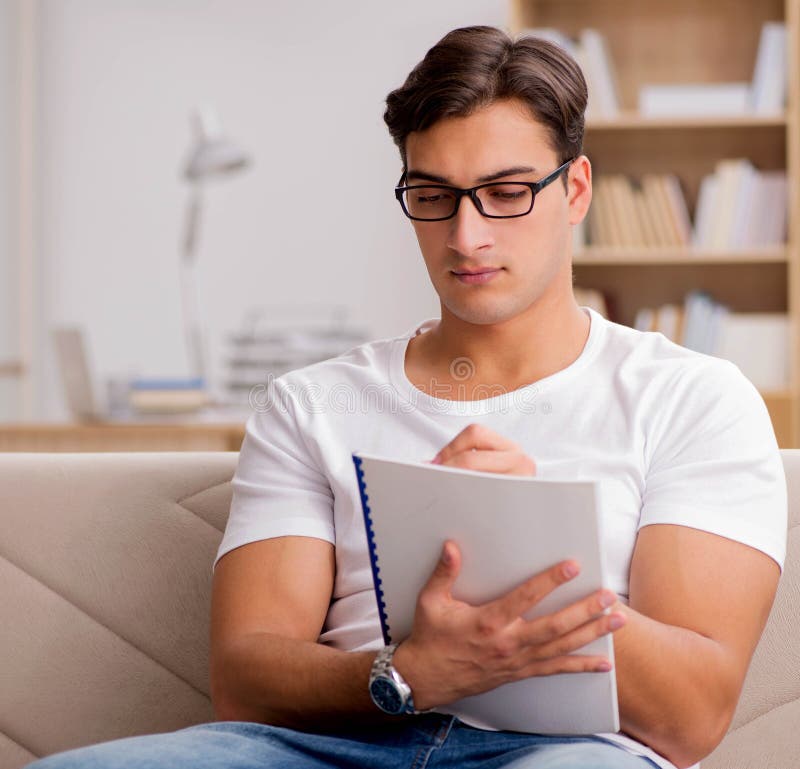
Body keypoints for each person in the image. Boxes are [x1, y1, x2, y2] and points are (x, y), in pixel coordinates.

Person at [29, 24, 786, 769]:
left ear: (576, 190)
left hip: (565, 750)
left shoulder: (693, 399)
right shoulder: (311, 405)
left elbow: (691, 718)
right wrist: (412, 672)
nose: (467, 235)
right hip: (326, 744)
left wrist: (538, 558)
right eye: (433, 195)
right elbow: (246, 678)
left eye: (506, 192)